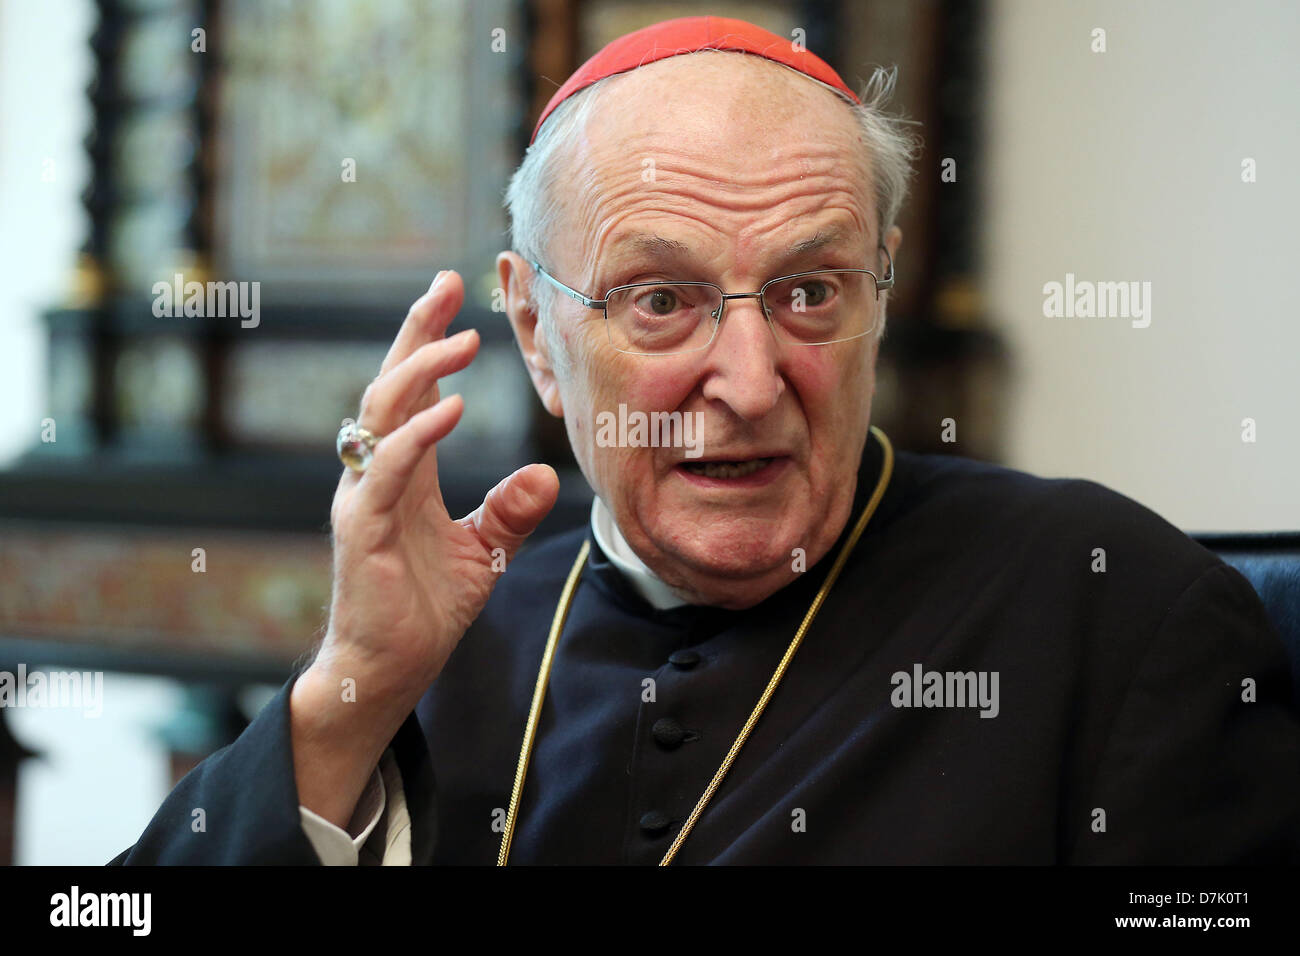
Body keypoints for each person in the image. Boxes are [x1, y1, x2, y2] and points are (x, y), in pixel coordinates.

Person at [112, 16, 1300, 866]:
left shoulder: (1115, 608)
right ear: (535, 328)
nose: (746, 380)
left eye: (811, 290)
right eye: (661, 300)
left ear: (879, 296)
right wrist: (343, 697)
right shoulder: (435, 643)